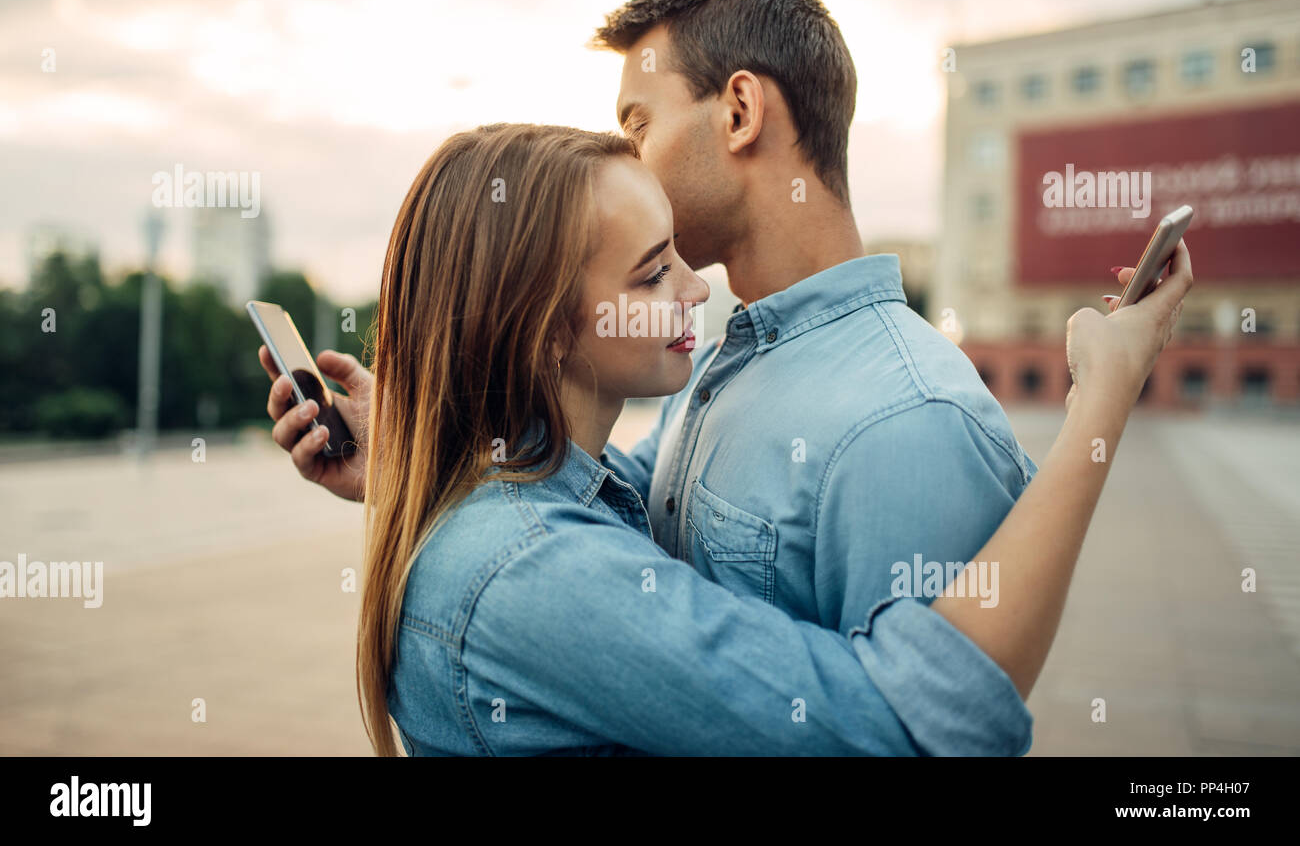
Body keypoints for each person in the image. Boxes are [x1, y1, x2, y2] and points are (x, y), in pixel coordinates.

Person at [258, 122, 1190, 755]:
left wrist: (414, 453)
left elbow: (597, 488)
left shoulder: (520, 504)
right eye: (653, 272)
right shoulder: (534, 574)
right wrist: (1102, 399)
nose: (695, 290)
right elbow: (912, 729)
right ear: (546, 330)